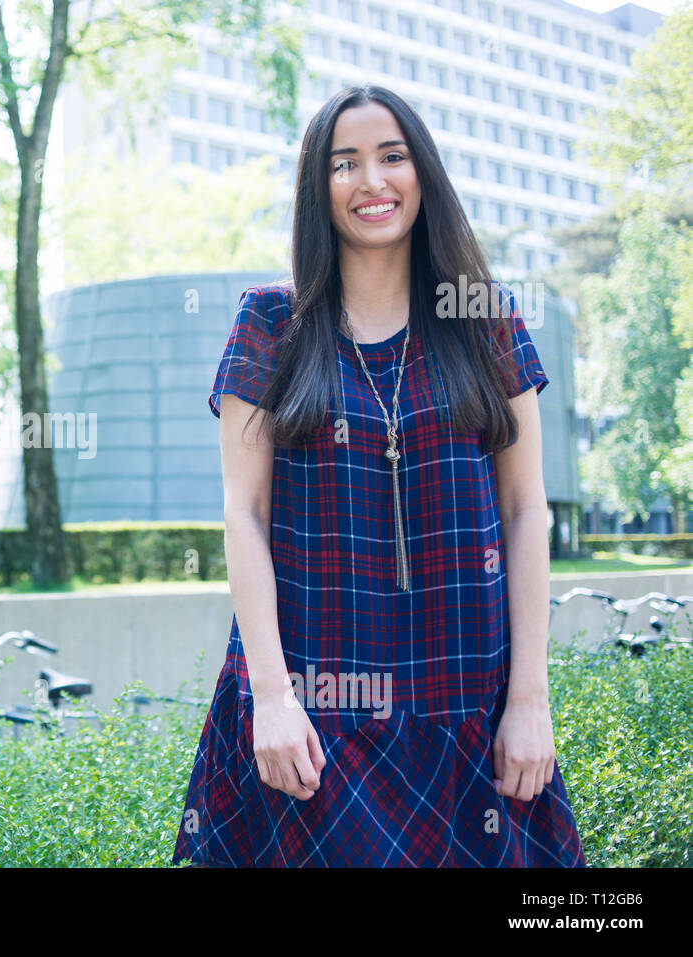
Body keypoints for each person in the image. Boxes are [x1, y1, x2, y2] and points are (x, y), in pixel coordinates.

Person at [172, 85, 588, 867]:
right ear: (317, 188)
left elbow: (528, 509)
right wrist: (272, 698)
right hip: (314, 712)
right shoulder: (272, 322)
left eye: (392, 157)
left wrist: (531, 698)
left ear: (421, 172)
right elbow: (244, 514)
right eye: (345, 163)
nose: (372, 181)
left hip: (467, 699)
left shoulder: (485, 317)